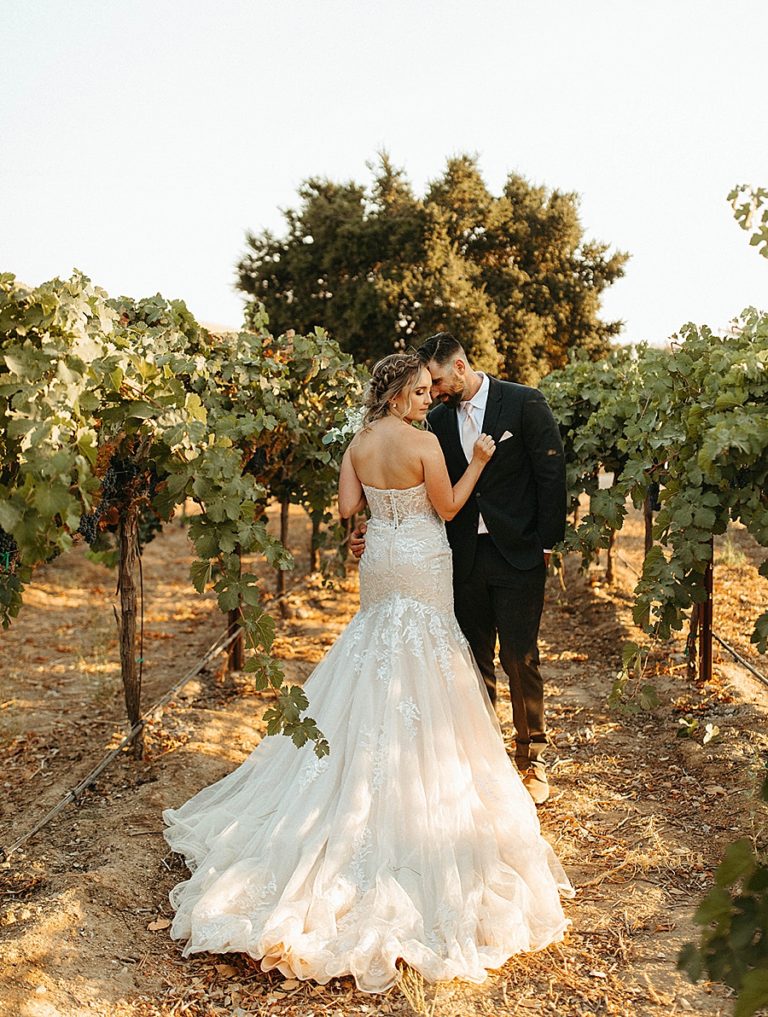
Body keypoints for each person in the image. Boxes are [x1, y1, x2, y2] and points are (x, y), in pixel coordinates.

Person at [163, 353, 572, 994]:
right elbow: (449, 506)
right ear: (399, 395)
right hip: (423, 560)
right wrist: (483, 462)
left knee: (374, 648)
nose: (424, 400)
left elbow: (350, 510)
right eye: (416, 392)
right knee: (429, 654)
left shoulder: (357, 444)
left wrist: (367, 531)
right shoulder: (424, 441)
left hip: (381, 560)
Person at [351, 334, 566, 806]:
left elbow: (551, 473)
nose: (436, 391)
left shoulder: (525, 402)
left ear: (462, 366)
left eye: (440, 381)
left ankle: (532, 759)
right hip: (456, 554)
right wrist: (372, 527)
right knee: (470, 660)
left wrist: (546, 544)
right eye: (427, 386)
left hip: (517, 553)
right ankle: (482, 759)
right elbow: (411, 485)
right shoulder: (432, 423)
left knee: (520, 658)